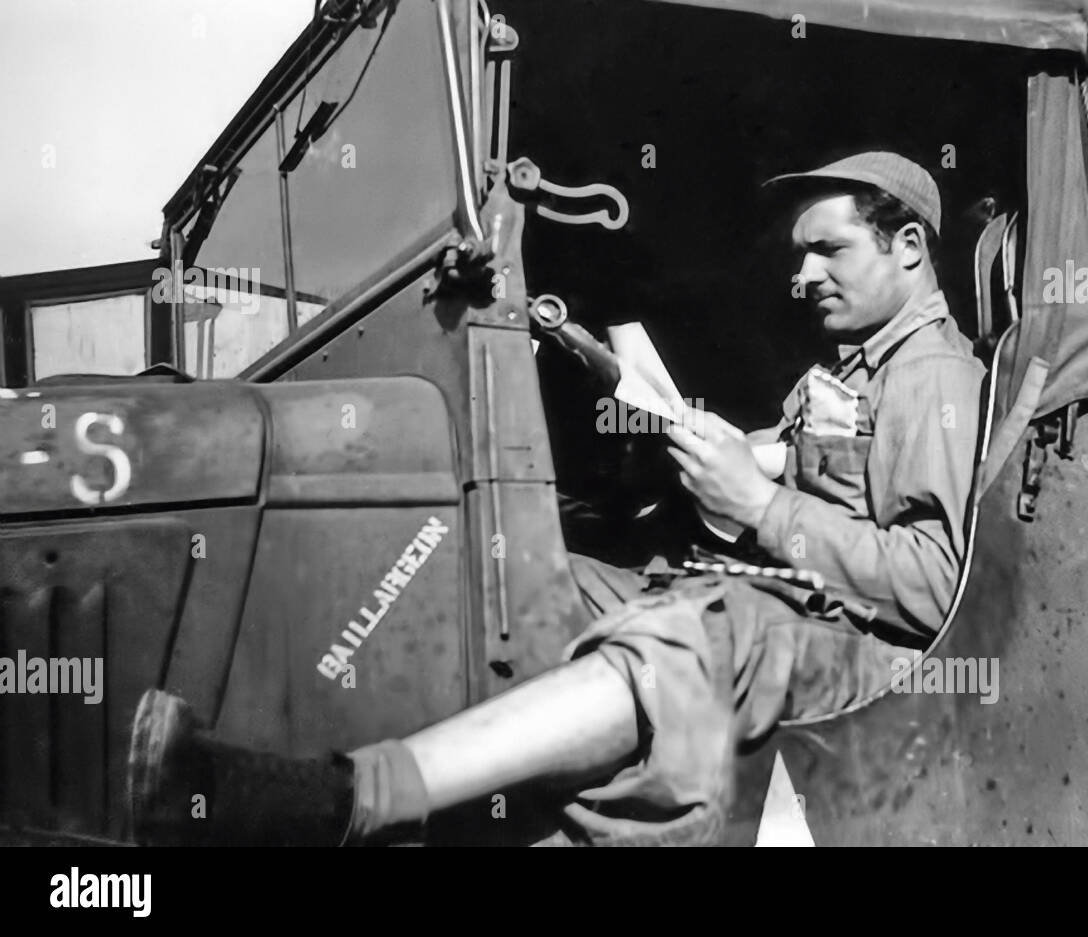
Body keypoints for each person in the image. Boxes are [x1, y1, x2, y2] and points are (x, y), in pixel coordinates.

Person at [128, 151, 987, 846]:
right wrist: (734, 459)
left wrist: (764, 508)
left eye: (829, 250)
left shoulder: (934, 377)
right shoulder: (848, 369)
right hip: (797, 602)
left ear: (908, 247)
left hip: (877, 654)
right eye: (802, 253)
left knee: (698, 631)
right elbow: (811, 474)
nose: (802, 274)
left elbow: (937, 586)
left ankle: (352, 800)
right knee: (538, 572)